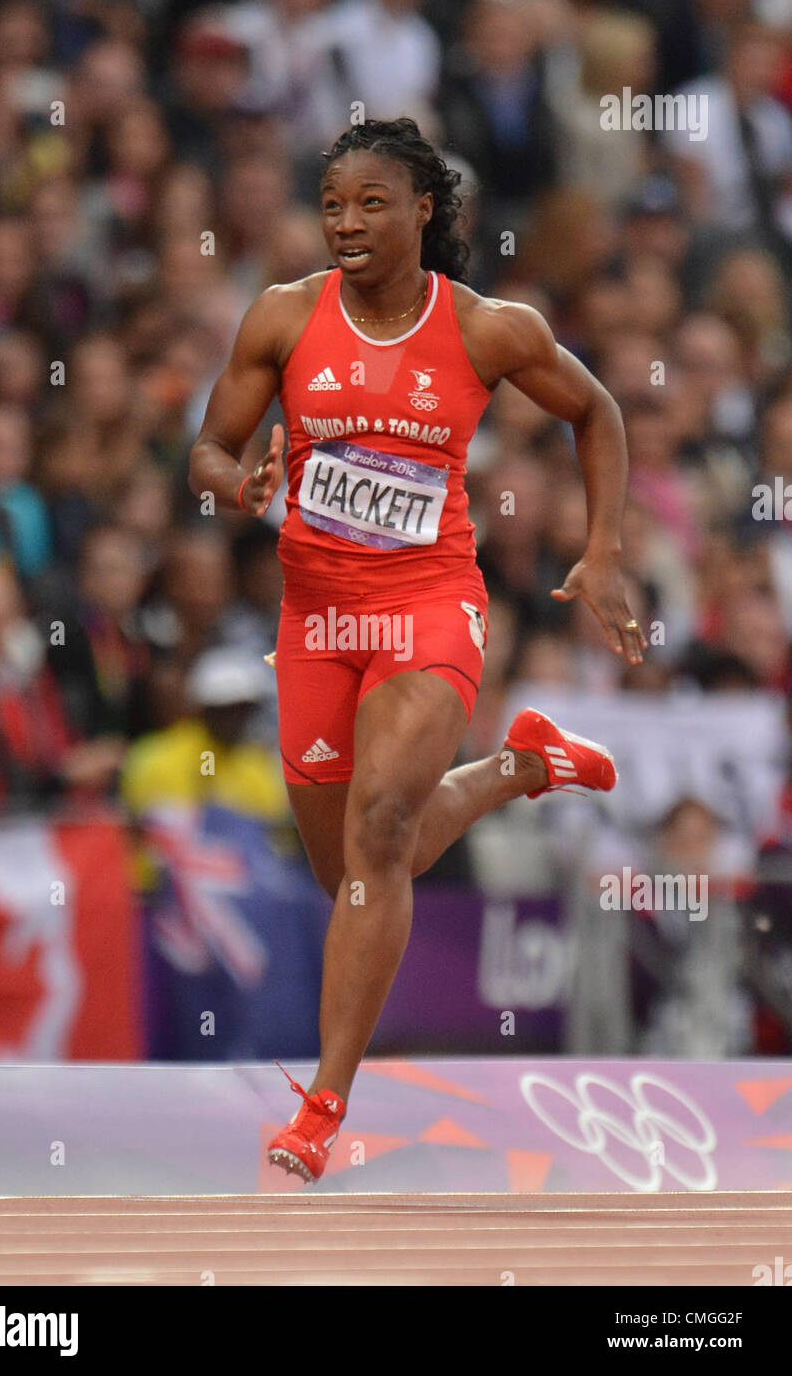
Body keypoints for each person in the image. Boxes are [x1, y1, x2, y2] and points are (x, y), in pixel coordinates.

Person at [189, 117, 647, 1183]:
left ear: (423, 210)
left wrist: (605, 549)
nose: (346, 222)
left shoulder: (488, 330)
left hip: (426, 604)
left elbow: (599, 410)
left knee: (382, 830)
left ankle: (323, 1103)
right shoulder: (282, 316)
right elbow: (212, 444)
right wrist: (233, 478)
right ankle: (520, 766)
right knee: (345, 865)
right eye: (333, 204)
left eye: (371, 203)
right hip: (314, 620)